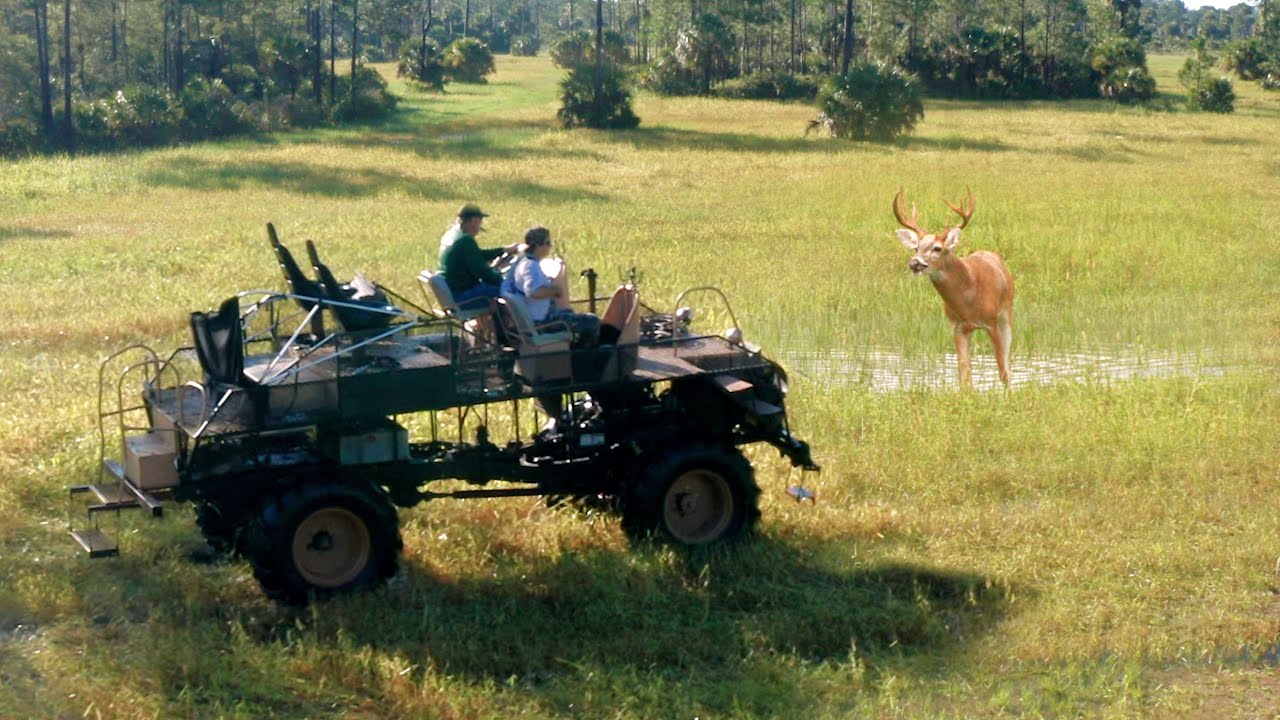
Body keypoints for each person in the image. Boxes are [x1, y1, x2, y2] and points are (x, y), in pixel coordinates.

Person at [502, 226, 600, 344]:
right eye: (547, 243)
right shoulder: (531, 266)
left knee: (569, 313)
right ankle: (588, 353)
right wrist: (555, 290)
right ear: (538, 245)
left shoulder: (522, 261)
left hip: (535, 318)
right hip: (542, 323)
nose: (550, 246)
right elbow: (534, 291)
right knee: (592, 321)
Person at [438, 203, 519, 309]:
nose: (480, 227)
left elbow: (476, 254)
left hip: (451, 291)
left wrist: (503, 250)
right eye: (480, 222)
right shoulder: (465, 240)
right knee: (514, 291)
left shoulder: (452, 234)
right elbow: (482, 272)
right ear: (474, 221)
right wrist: (503, 281)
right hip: (463, 295)